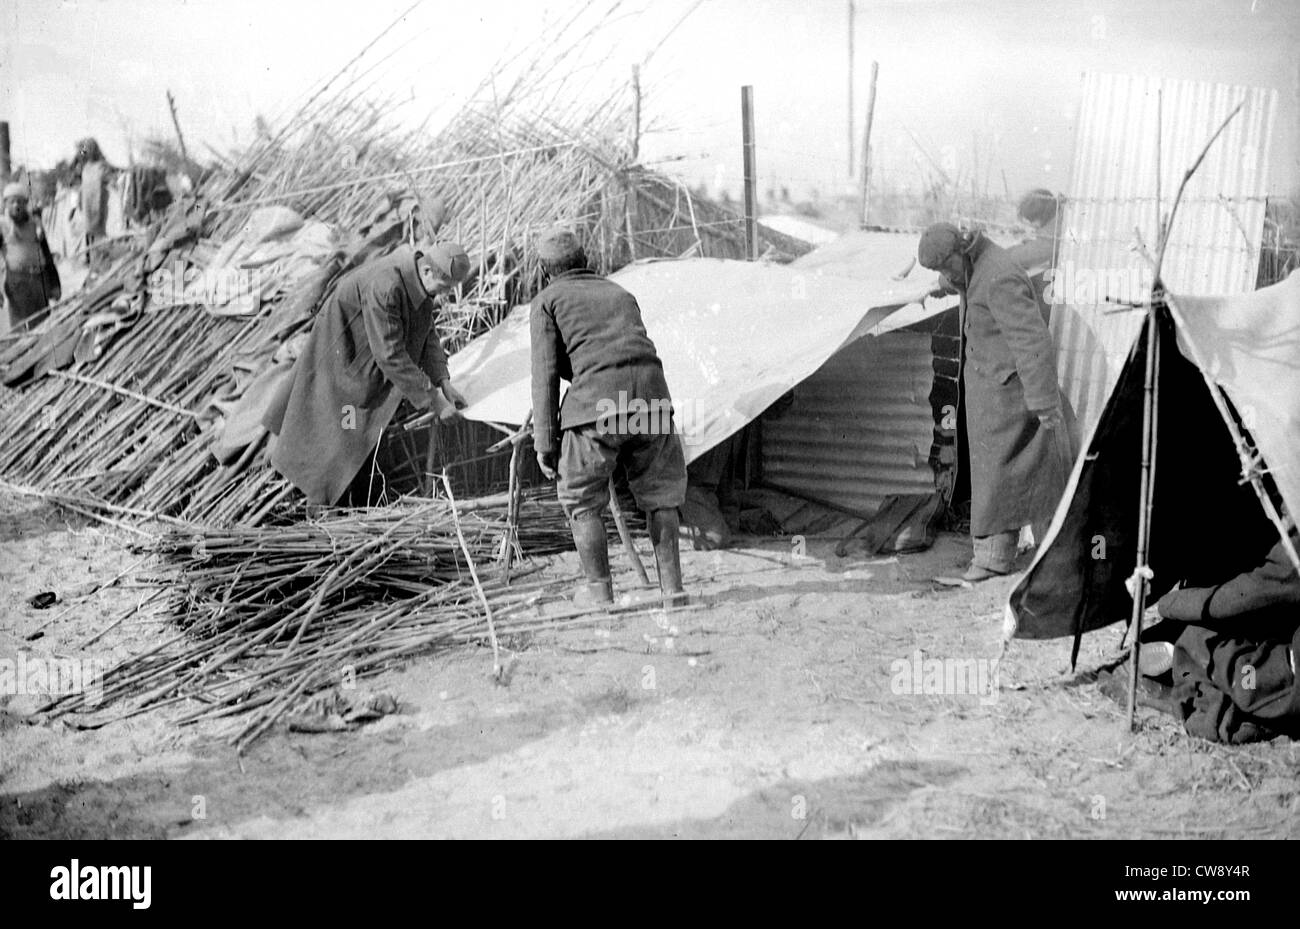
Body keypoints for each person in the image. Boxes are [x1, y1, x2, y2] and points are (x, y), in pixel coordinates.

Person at [530, 228, 687, 606]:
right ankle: (674, 590)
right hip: (651, 401)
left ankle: (600, 594)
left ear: (543, 270)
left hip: (598, 410)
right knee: (661, 496)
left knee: (582, 500)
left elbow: (547, 374)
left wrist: (545, 443)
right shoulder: (620, 293)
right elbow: (615, 349)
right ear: (587, 260)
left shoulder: (547, 300)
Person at [917, 222, 1072, 581]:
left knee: (1001, 479)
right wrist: (939, 286)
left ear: (962, 250)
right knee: (1003, 478)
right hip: (991, 392)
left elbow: (1032, 340)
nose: (945, 273)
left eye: (945, 266)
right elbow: (963, 281)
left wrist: (1044, 401)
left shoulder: (1000, 276)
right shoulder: (975, 266)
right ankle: (1002, 556)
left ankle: (993, 560)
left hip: (1010, 397)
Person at [267, 243, 471, 506]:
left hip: (367, 358)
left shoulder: (419, 280)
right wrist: (435, 399)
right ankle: (322, 508)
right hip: (343, 361)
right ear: (429, 270)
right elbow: (391, 354)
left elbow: (426, 331)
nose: (443, 295)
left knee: (361, 434)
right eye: (443, 288)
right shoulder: (387, 286)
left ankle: (355, 499)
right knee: (341, 432)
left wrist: (443, 382)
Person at [0, 180, 62, 331]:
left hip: (39, 280)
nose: (16, 206)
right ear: (5, 204)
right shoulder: (2, 226)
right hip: (17, 283)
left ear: (26, 203)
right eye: (12, 202)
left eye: (20, 202)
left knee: (44, 325)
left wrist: (55, 284)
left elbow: (46, 254)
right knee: (22, 327)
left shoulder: (34, 224)